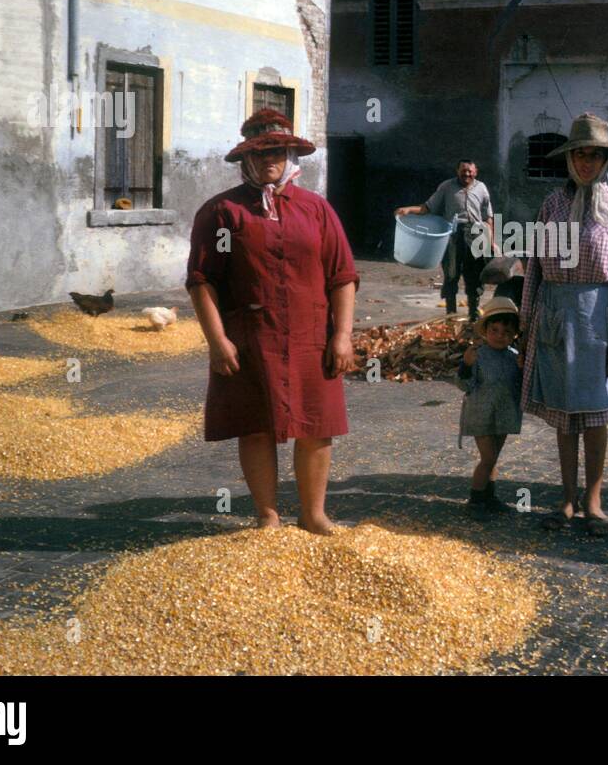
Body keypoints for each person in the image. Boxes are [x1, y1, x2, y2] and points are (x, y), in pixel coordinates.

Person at [186, 109, 359, 535]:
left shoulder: (316, 211)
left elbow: (342, 275)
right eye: (261, 153)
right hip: (251, 337)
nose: (270, 160)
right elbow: (203, 279)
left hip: (309, 335)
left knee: (316, 426)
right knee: (255, 423)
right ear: (246, 158)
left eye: (278, 151)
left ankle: (314, 514)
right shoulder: (224, 214)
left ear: (289, 154)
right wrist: (217, 340)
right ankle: (267, 514)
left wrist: (342, 335)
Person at [519, 113, 608, 537]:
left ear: (607, 160)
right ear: (569, 158)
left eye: (595, 156)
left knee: (595, 416)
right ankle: (566, 499)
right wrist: (526, 317)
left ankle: (594, 500)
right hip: (554, 315)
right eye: (579, 155)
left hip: (596, 319)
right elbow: (534, 264)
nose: (586, 163)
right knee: (564, 416)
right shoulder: (551, 205)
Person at [396, 160, 494, 321]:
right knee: (451, 274)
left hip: (476, 234)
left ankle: (473, 315)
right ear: (457, 171)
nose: (467, 174)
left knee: (474, 274)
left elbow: (488, 217)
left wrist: (491, 241)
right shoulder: (446, 187)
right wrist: (408, 210)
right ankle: (451, 314)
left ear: (475, 172)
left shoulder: (482, 188)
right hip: (453, 235)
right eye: (463, 170)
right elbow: (427, 207)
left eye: (470, 171)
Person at [456, 295, 523, 519]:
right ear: (485, 331)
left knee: (493, 458)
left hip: (504, 413)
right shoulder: (478, 356)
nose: (499, 336)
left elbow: (521, 386)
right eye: (494, 330)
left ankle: (489, 497)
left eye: (506, 333)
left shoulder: (514, 357)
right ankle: (475, 500)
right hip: (481, 414)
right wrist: (466, 365)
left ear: (514, 335)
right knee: (487, 458)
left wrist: (525, 369)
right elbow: (464, 384)